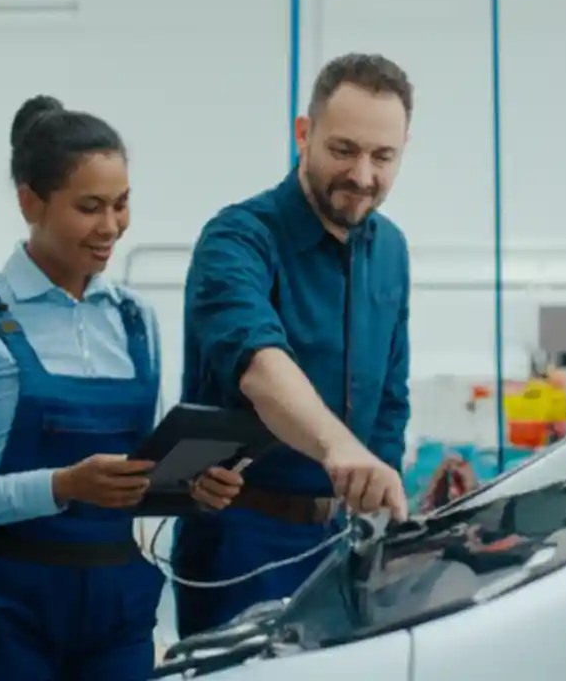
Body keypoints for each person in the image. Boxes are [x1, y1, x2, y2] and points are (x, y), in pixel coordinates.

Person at [0, 95, 244, 681]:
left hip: (116, 609)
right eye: (90, 207)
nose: (111, 227)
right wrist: (63, 485)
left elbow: (139, 475)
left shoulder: (135, 321)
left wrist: (193, 485)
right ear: (30, 202)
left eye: (121, 206)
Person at [172, 52, 415, 637]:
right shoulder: (238, 239)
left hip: (343, 540)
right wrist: (339, 449)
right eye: (343, 150)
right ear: (303, 134)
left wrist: (386, 506)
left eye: (383, 157)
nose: (363, 175)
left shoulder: (390, 252)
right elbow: (259, 365)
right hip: (241, 537)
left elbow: (389, 398)